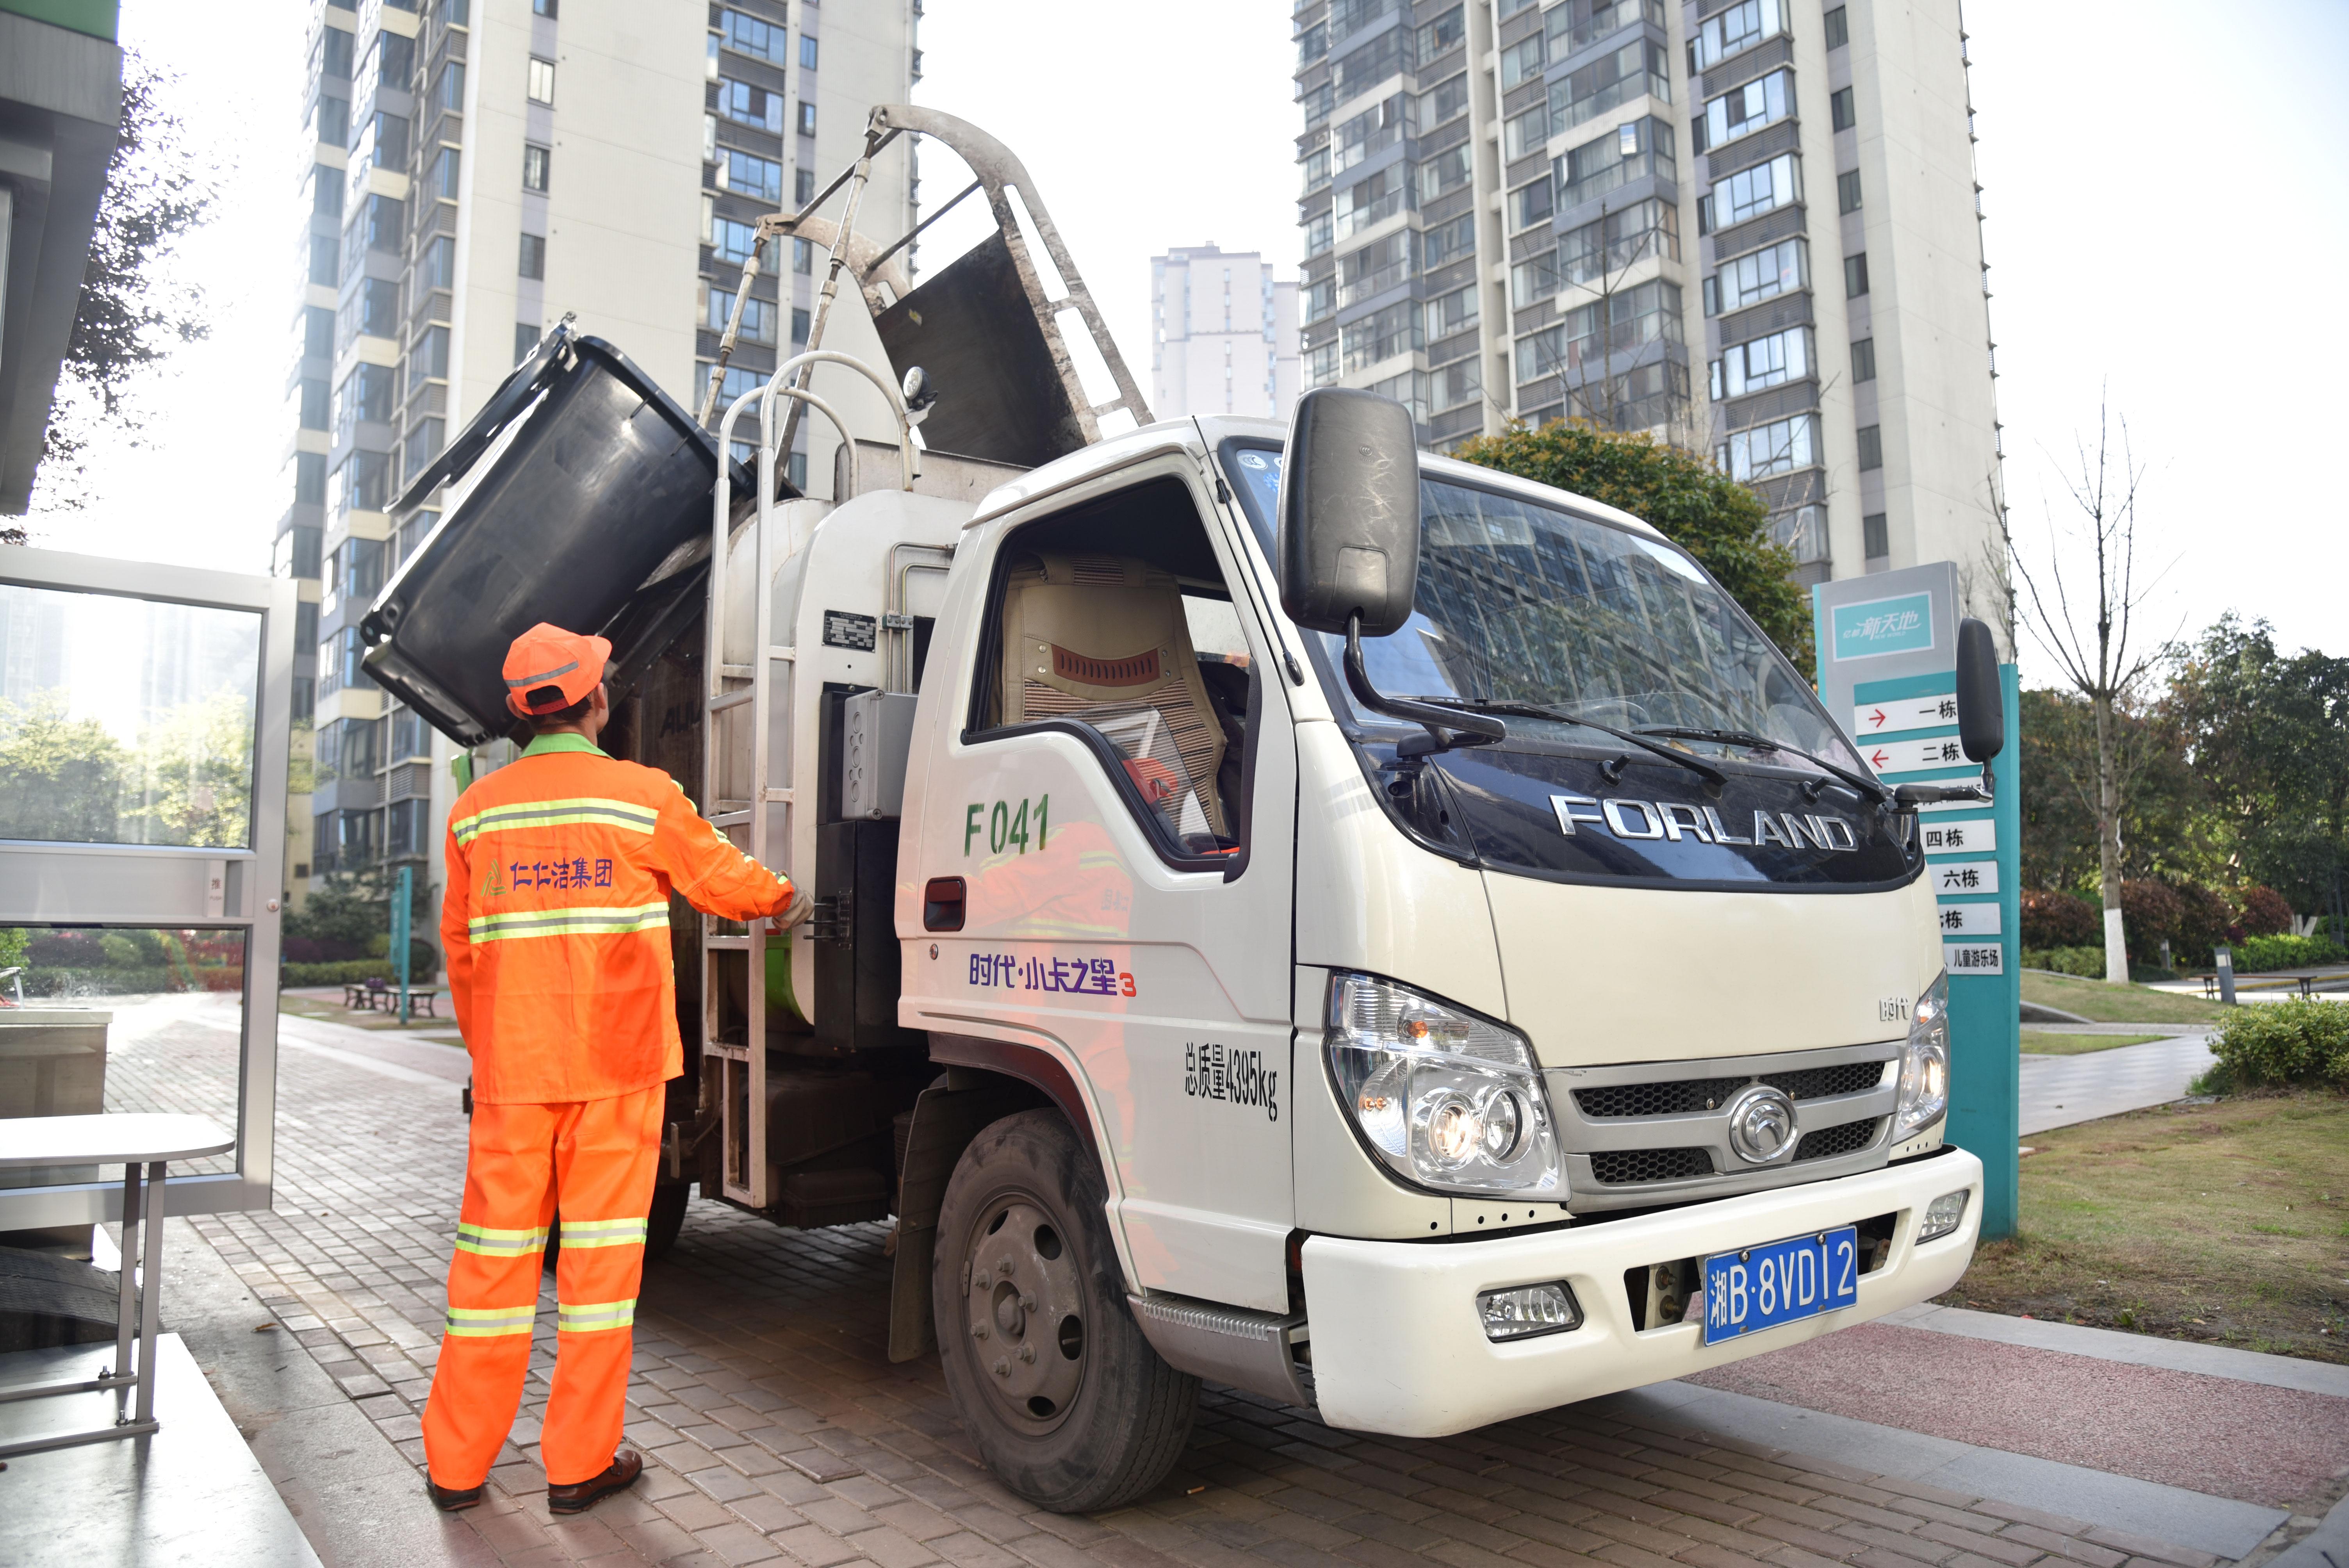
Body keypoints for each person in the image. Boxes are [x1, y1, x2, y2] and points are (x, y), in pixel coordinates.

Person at [422, 623, 802, 1515]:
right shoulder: (642, 797)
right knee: (597, 1276)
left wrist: (491, 1051)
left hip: (515, 1077)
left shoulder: (477, 812)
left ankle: (457, 1468)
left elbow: (461, 952)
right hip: (617, 1071)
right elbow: (725, 880)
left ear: (521, 714)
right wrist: (784, 898)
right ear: (597, 701)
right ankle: (577, 1465)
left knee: (490, 1273)